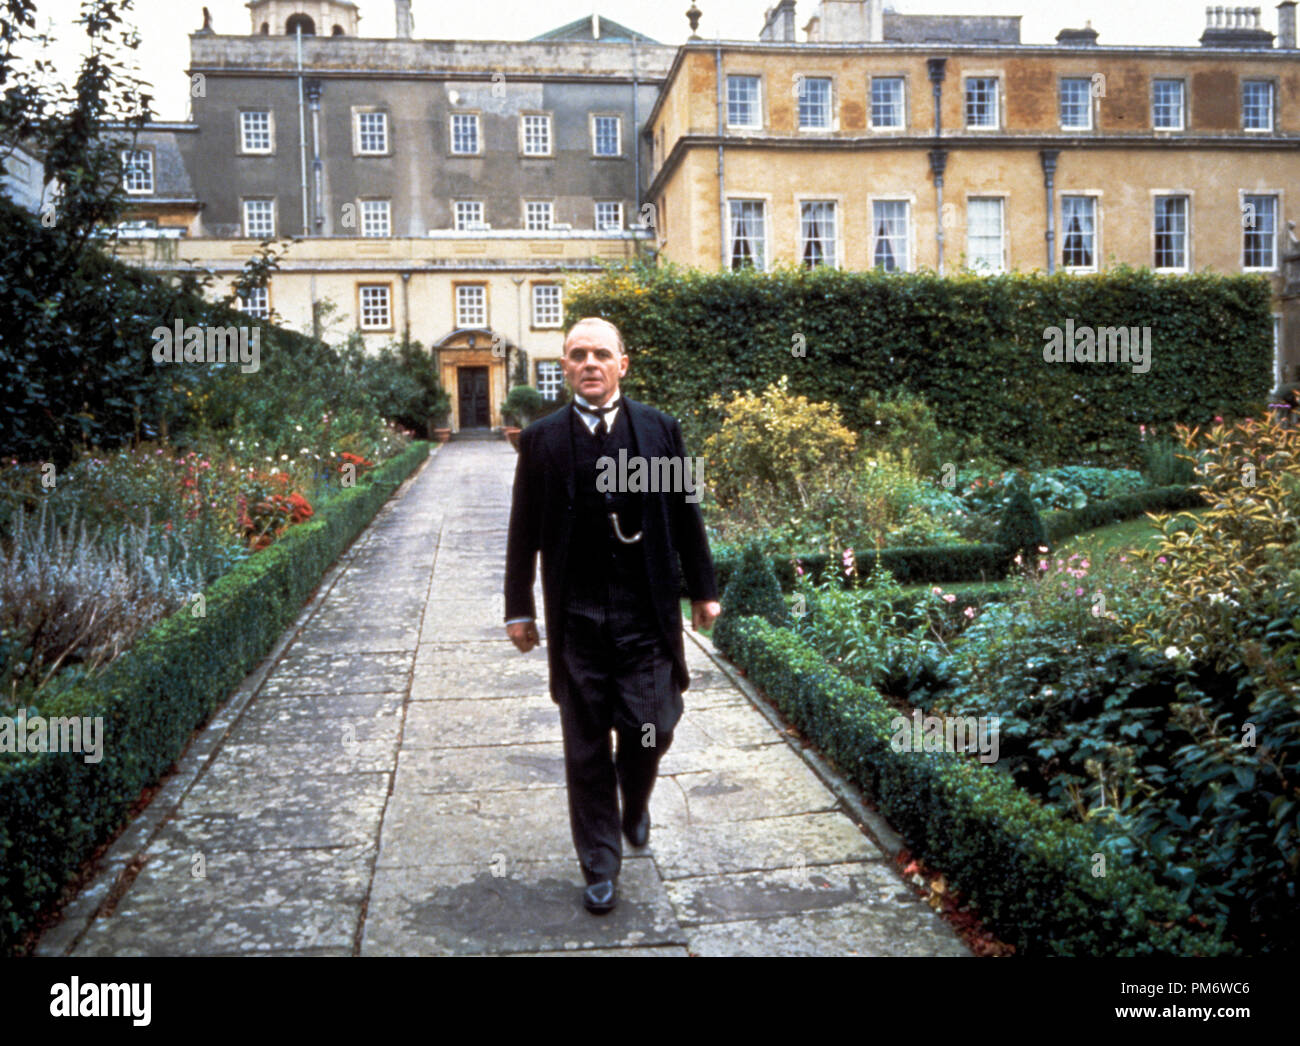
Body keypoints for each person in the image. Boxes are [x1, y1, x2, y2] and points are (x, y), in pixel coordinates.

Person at [504, 316, 720, 914]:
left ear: (623, 364)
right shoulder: (542, 440)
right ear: (564, 366)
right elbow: (523, 532)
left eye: (602, 353)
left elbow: (685, 515)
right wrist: (518, 608)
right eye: (578, 354)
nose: (590, 363)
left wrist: (703, 590)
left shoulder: (659, 430)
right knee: (585, 745)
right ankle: (600, 862)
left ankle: (636, 795)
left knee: (654, 723)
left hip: (644, 613)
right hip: (576, 618)